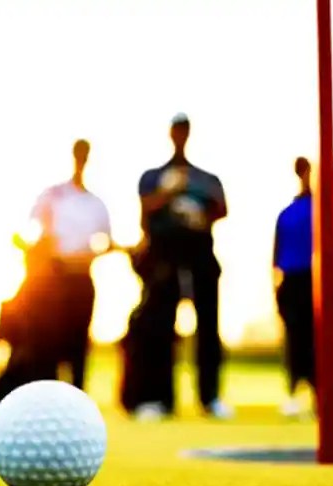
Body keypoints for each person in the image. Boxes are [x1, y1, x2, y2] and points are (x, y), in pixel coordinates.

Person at [128, 113, 232, 421]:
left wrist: (199, 214)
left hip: (201, 255)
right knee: (160, 329)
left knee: (208, 330)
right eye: (177, 130)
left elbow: (221, 208)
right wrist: (171, 191)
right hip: (163, 258)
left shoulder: (207, 178)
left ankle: (210, 397)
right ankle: (159, 399)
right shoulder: (152, 176)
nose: (180, 136)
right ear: (171, 133)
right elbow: (146, 209)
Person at [27, 138, 112, 390]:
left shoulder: (96, 203)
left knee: (78, 342)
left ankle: (77, 398)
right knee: (50, 340)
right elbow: (29, 231)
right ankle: (49, 395)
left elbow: (106, 242)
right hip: (53, 277)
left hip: (82, 277)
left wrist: (91, 255)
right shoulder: (52, 195)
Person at [272, 157, 315, 419]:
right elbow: (276, 255)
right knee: (294, 338)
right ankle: (294, 391)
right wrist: (274, 287)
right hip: (292, 280)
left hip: (315, 280)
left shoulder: (322, 208)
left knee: (315, 339)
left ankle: (317, 393)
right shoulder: (287, 213)